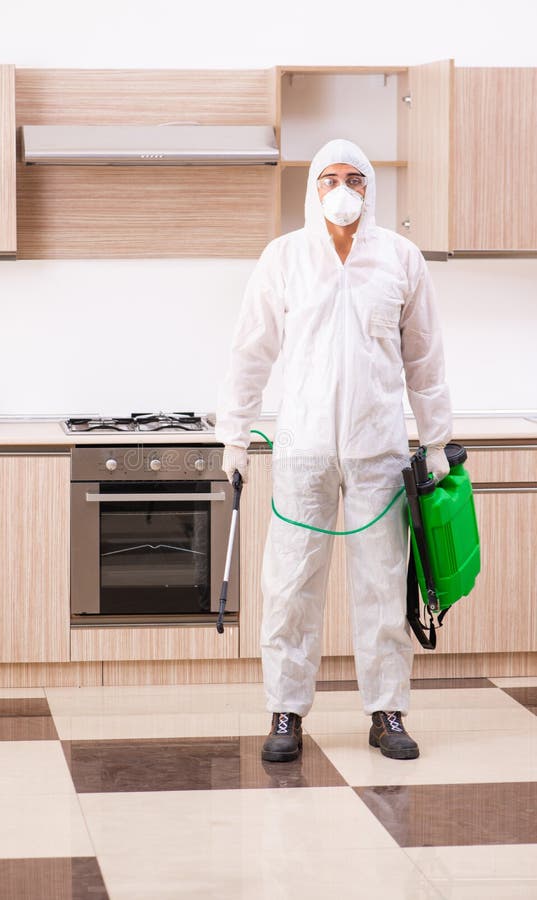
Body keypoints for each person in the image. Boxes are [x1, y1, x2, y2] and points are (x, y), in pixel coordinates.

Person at [215, 139, 452, 762]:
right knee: (292, 584)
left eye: (355, 178)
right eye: (330, 179)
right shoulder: (285, 258)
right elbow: (251, 351)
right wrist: (235, 433)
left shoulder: (400, 259)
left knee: (382, 584)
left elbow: (425, 358)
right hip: (303, 450)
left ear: (370, 189)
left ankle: (387, 711)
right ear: (312, 189)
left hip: (378, 450)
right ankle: (286, 712)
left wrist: (436, 440)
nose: (343, 190)